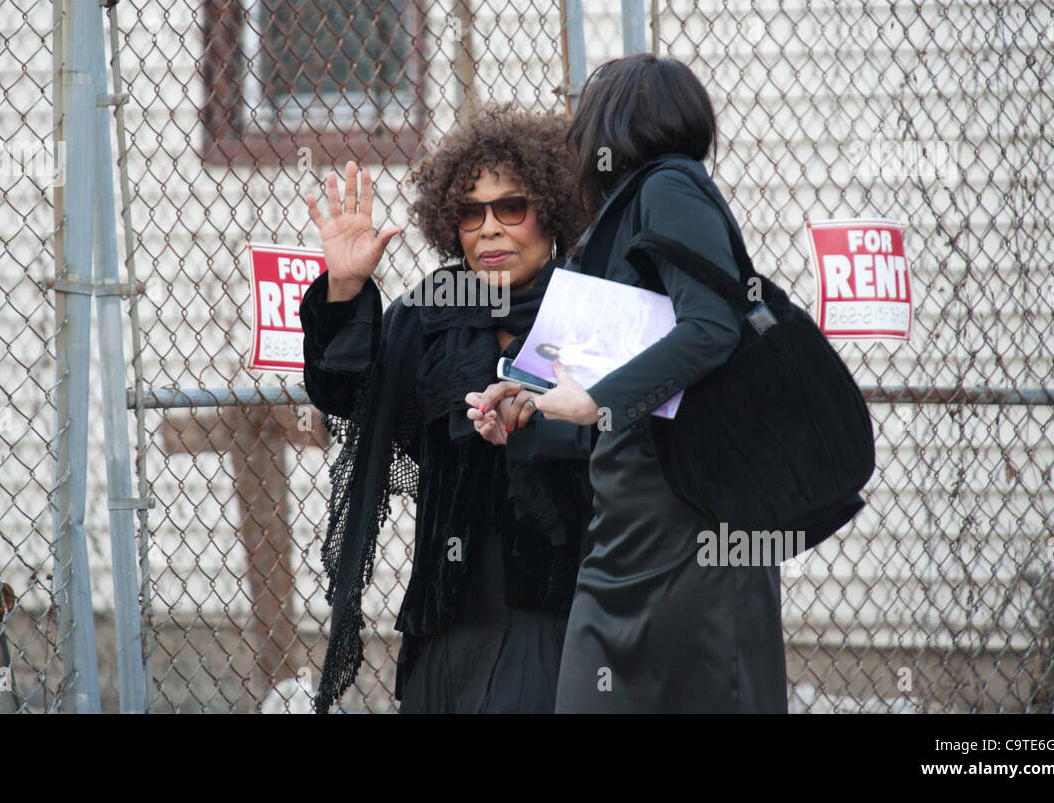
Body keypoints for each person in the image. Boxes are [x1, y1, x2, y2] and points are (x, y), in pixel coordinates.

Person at [470, 55, 788, 713]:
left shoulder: (669, 186)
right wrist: (532, 392)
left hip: (681, 529)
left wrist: (594, 401)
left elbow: (710, 327)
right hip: (641, 528)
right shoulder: (638, 203)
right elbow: (639, 343)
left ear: (609, 128)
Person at [300, 105, 593, 713]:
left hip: (565, 621)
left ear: (552, 211)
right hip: (450, 624)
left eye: (511, 207)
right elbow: (347, 395)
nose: (489, 229)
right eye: (470, 212)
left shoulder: (595, 312)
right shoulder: (433, 312)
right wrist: (346, 289)